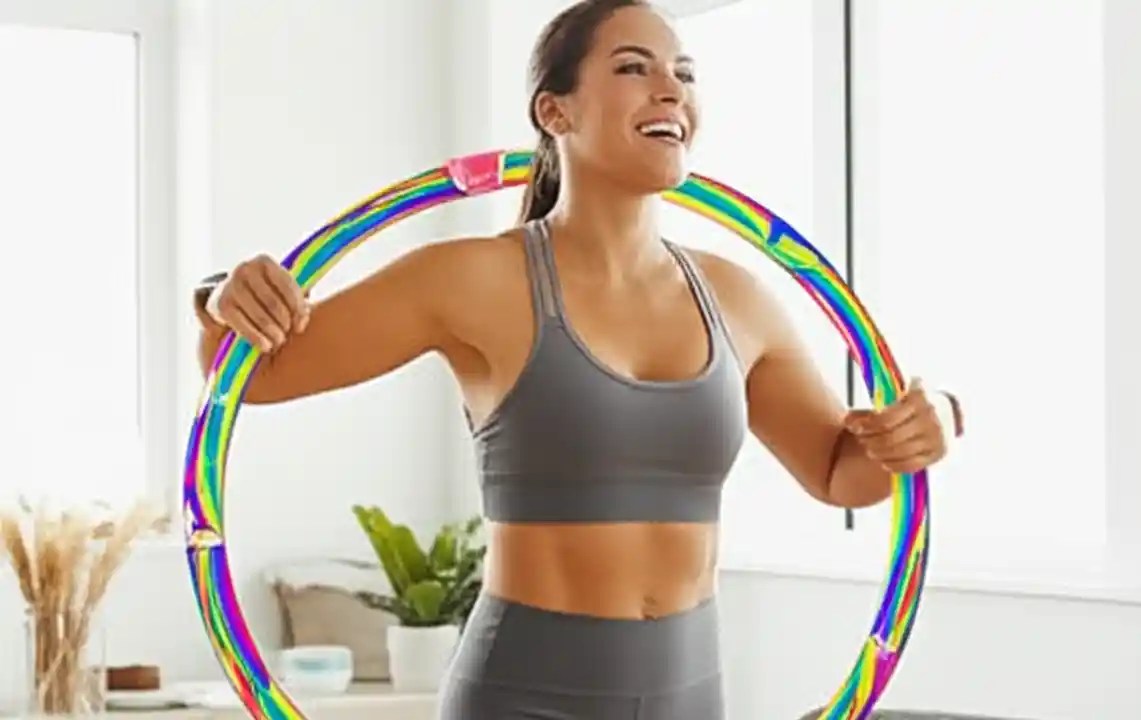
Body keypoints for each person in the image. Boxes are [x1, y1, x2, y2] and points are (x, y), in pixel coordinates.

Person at [191, 1, 963, 717]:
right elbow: (248, 380)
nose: (670, 89)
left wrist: (933, 426)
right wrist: (221, 298)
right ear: (553, 110)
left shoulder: (739, 297)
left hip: (691, 697)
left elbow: (840, 472)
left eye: (684, 73)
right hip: (522, 694)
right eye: (635, 68)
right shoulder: (472, 278)